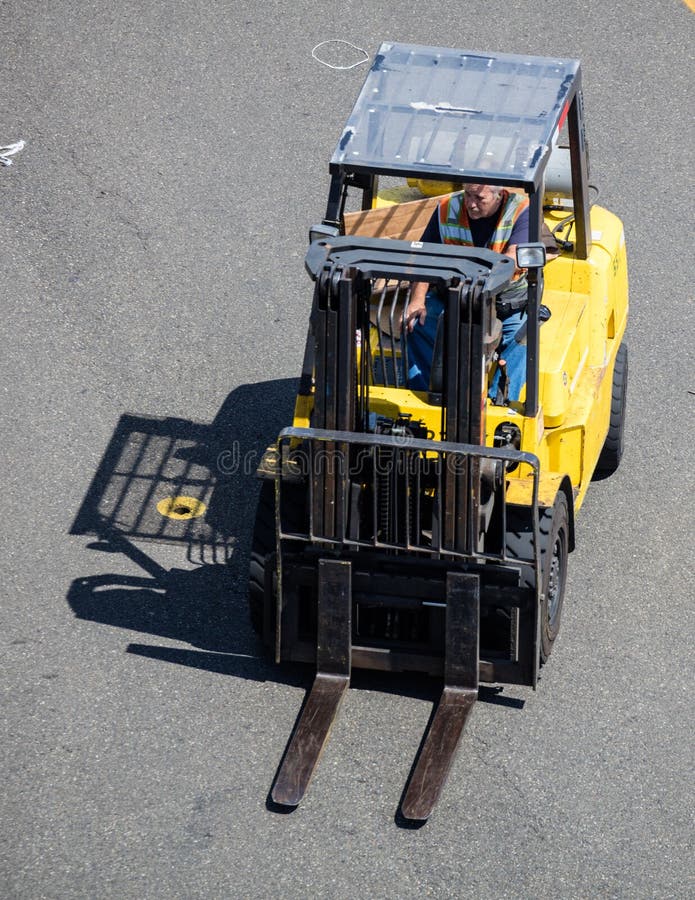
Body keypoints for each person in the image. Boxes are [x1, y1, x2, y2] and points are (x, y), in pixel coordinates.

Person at [405, 183, 530, 401]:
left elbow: (513, 259)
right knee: (416, 324)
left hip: (504, 303)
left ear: (498, 196)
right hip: (454, 298)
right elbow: (426, 258)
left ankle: (499, 402)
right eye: (468, 195)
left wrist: (479, 280)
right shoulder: (447, 209)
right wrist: (417, 301)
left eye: (479, 199)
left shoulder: (520, 210)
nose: (471, 204)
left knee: (522, 338)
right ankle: (424, 396)